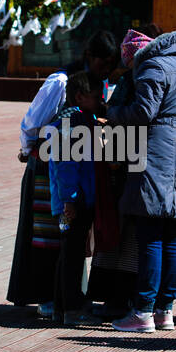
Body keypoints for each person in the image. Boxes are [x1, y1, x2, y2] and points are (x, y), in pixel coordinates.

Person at [7, 30, 119, 317]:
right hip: (48, 167)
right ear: (90, 57)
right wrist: (27, 150)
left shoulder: (100, 87)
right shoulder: (61, 82)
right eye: (103, 63)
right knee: (47, 236)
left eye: (110, 65)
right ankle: (47, 297)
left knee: (69, 239)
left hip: (77, 170)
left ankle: (66, 298)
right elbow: (31, 123)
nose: (106, 71)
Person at [105, 29, 176, 333]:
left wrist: (112, 111)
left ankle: (143, 312)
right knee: (173, 235)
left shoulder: (153, 66)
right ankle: (165, 311)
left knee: (149, 232)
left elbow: (142, 112)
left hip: (156, 149)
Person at [88, 28, 154, 319]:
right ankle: (121, 298)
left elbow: (118, 116)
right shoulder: (143, 78)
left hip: (127, 166)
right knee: (125, 233)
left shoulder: (135, 80)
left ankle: (116, 298)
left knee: (122, 231)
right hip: (135, 163)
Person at [45, 71, 101, 325]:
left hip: (74, 199)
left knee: (68, 252)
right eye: (95, 97)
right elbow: (66, 165)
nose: (99, 101)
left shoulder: (78, 121)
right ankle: (72, 310)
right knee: (72, 255)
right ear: (79, 96)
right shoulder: (70, 125)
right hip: (73, 201)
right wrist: (70, 200)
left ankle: (60, 308)